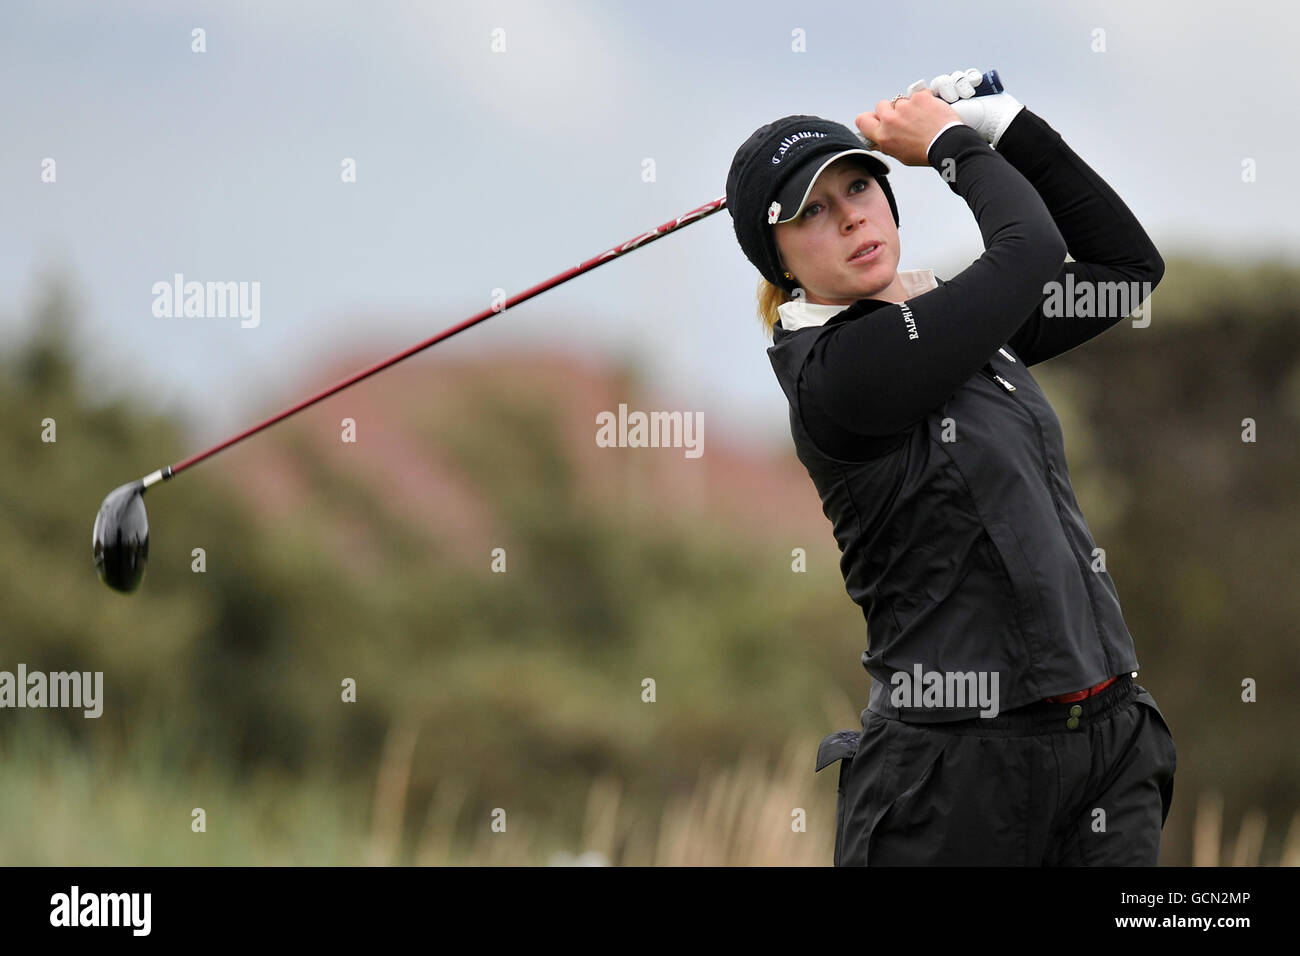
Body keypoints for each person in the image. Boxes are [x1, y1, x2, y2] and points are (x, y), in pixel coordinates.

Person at [724, 73, 1177, 865]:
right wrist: (951, 145)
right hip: (956, 780)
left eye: (859, 185)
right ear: (782, 259)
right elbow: (1028, 249)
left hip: (1106, 749)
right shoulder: (839, 371)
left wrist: (1005, 123)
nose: (851, 216)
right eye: (811, 213)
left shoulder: (957, 323)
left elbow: (1128, 266)